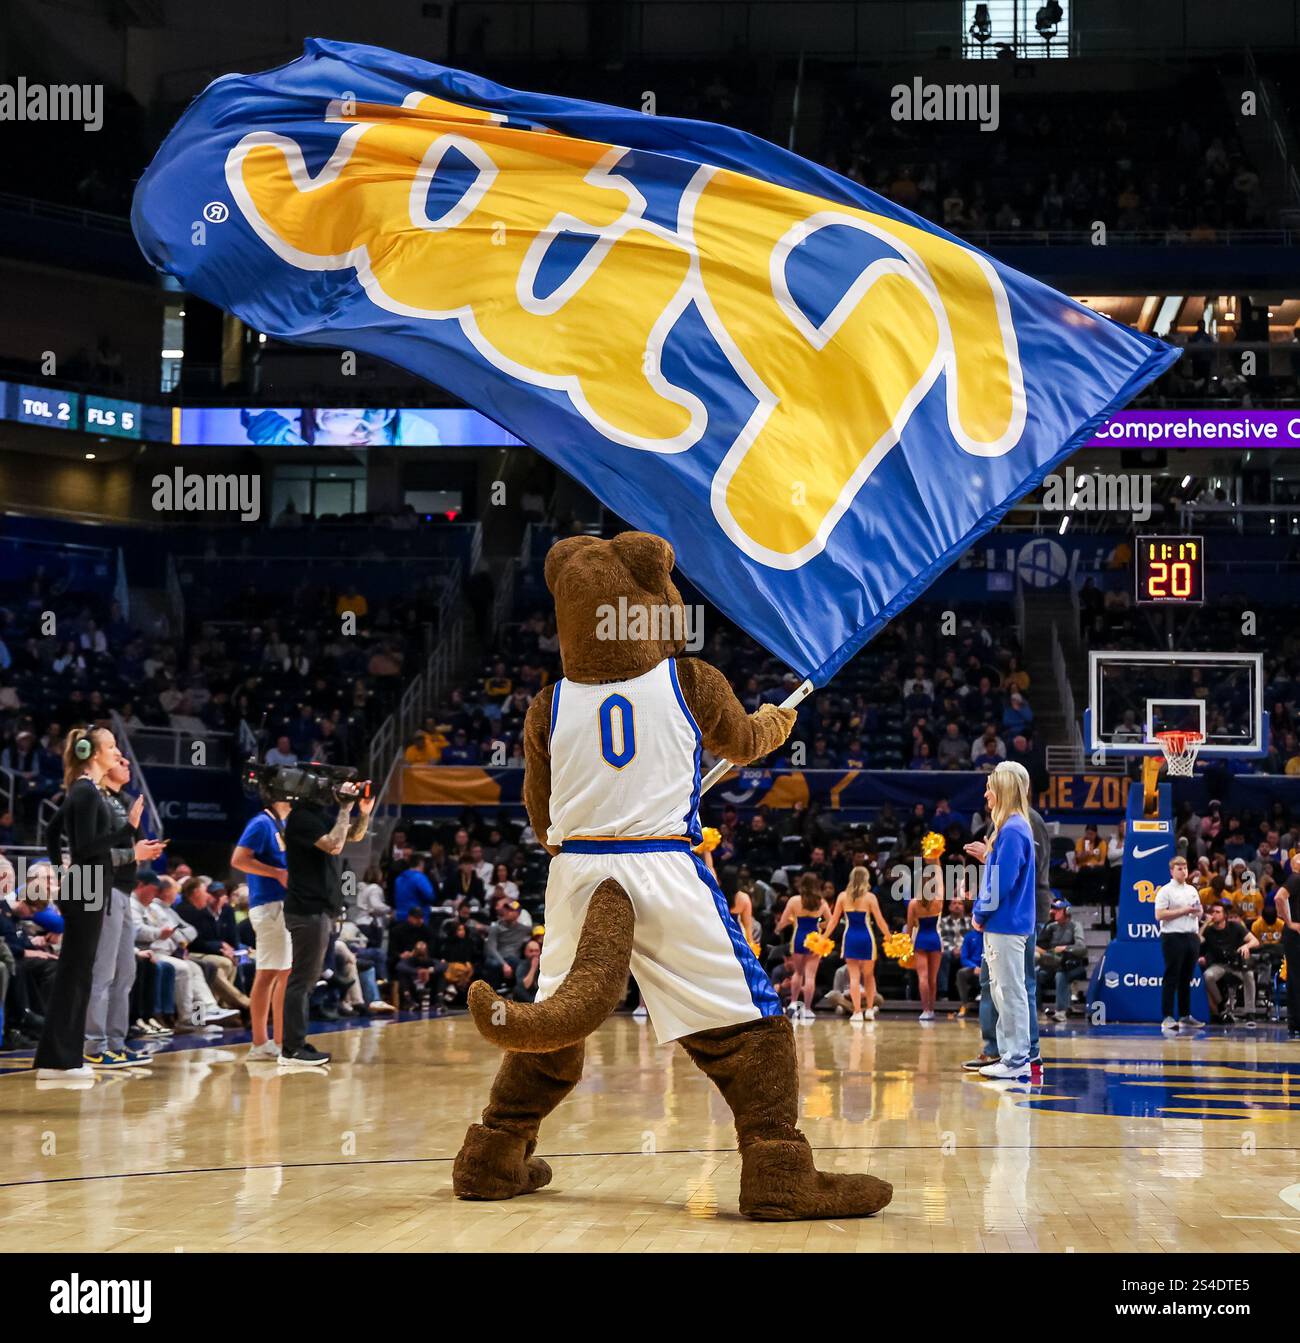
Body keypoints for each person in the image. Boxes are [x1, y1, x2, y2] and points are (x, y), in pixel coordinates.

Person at [35, 728, 160, 1079]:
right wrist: (128, 831)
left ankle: (62, 1057)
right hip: (89, 883)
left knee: (79, 976)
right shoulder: (87, 791)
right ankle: (64, 1058)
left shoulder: (83, 791)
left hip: (85, 883)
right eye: (112, 747)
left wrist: (62, 873)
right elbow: (88, 848)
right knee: (79, 976)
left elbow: (52, 832)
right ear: (93, 753)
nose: (119, 753)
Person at [75, 750, 164, 1067]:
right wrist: (133, 853)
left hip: (124, 889)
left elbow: (129, 847)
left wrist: (143, 851)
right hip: (103, 888)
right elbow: (89, 853)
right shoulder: (91, 797)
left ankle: (115, 1041)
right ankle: (93, 1045)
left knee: (126, 972)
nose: (127, 763)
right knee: (104, 973)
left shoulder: (124, 800)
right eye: (119, 759)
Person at [280, 782, 374, 1066]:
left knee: (307, 979)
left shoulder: (315, 817)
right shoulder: (301, 818)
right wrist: (345, 808)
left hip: (318, 911)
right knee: (301, 981)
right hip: (306, 910)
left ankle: (296, 1044)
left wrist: (363, 812)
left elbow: (349, 836)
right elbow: (334, 845)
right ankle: (292, 1049)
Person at [966, 761, 1037, 1081]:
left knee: (1010, 991)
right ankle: (1012, 1055)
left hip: (1006, 924)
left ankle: (1017, 1058)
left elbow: (1001, 882)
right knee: (1004, 991)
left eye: (990, 788)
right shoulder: (1014, 827)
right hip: (1007, 923)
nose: (985, 794)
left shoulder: (1012, 829)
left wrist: (980, 913)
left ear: (1004, 791)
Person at [231, 791, 292, 1060]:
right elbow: (238, 859)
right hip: (268, 905)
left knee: (281, 973)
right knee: (269, 973)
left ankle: (277, 1040)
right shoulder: (261, 823)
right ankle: (261, 1042)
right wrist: (276, 872)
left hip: (279, 905)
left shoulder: (280, 825)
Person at [822, 866, 889, 1022]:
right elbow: (879, 921)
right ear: (866, 879)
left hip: (850, 938)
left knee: (853, 976)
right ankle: (870, 1010)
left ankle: (857, 1012)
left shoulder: (842, 897)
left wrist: (824, 937)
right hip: (866, 938)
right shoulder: (870, 897)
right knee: (869, 976)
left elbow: (833, 921)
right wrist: (889, 937)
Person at [1154, 855, 1205, 1031]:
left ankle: (1185, 1015)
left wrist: (1197, 912)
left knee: (1186, 978)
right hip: (1172, 936)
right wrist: (1183, 911)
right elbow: (1159, 915)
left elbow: (1199, 911)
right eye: (1179, 868)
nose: (1183, 871)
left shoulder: (1192, 890)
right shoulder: (1165, 891)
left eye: (1185, 868)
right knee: (1171, 977)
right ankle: (1167, 1016)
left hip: (1191, 935)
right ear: (1172, 870)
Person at [774, 873, 830, 1021]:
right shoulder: (822, 902)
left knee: (798, 974)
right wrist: (819, 925)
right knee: (810, 976)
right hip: (815, 940)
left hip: (798, 938)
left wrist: (778, 928)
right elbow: (831, 922)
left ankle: (793, 1003)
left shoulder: (794, 901)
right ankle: (807, 1009)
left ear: (801, 885)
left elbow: (784, 921)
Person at [1199, 900, 1259, 1022]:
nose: (1214, 914)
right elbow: (1198, 940)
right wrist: (1205, 923)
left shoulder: (1235, 927)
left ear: (1225, 915)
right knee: (1207, 976)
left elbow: (1255, 941)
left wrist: (1246, 946)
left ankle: (1250, 1012)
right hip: (1219, 964)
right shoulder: (1209, 930)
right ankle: (1221, 1003)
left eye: (1217, 912)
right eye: (1212, 912)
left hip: (1236, 965)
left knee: (1249, 975)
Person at [1034, 898, 1087, 1022]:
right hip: (1053, 965)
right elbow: (1040, 945)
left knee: (1060, 975)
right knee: (1036, 975)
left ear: (1066, 911)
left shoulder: (1075, 926)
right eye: (1053, 909)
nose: (1054, 912)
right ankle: (1036, 1010)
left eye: (1058, 910)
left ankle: (1061, 1011)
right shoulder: (1050, 927)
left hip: (1072, 965)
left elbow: (1082, 948)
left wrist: (1065, 948)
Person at [905, 868, 945, 1021]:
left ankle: (925, 1010)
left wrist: (906, 946)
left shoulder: (913, 904)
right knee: (932, 978)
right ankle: (932, 1009)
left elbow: (909, 928)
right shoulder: (938, 902)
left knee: (922, 977)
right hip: (934, 939)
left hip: (921, 939)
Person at [1275, 855, 1300, 1039]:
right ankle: (1296, 1022)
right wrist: (1290, 922)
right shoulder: (1296, 878)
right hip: (1295, 934)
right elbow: (1279, 897)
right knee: (1296, 978)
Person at [955, 926, 984, 1017]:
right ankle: (964, 1004)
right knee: (961, 973)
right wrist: (974, 967)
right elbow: (964, 958)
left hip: (989, 967)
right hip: (973, 968)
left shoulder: (991, 935)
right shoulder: (969, 936)